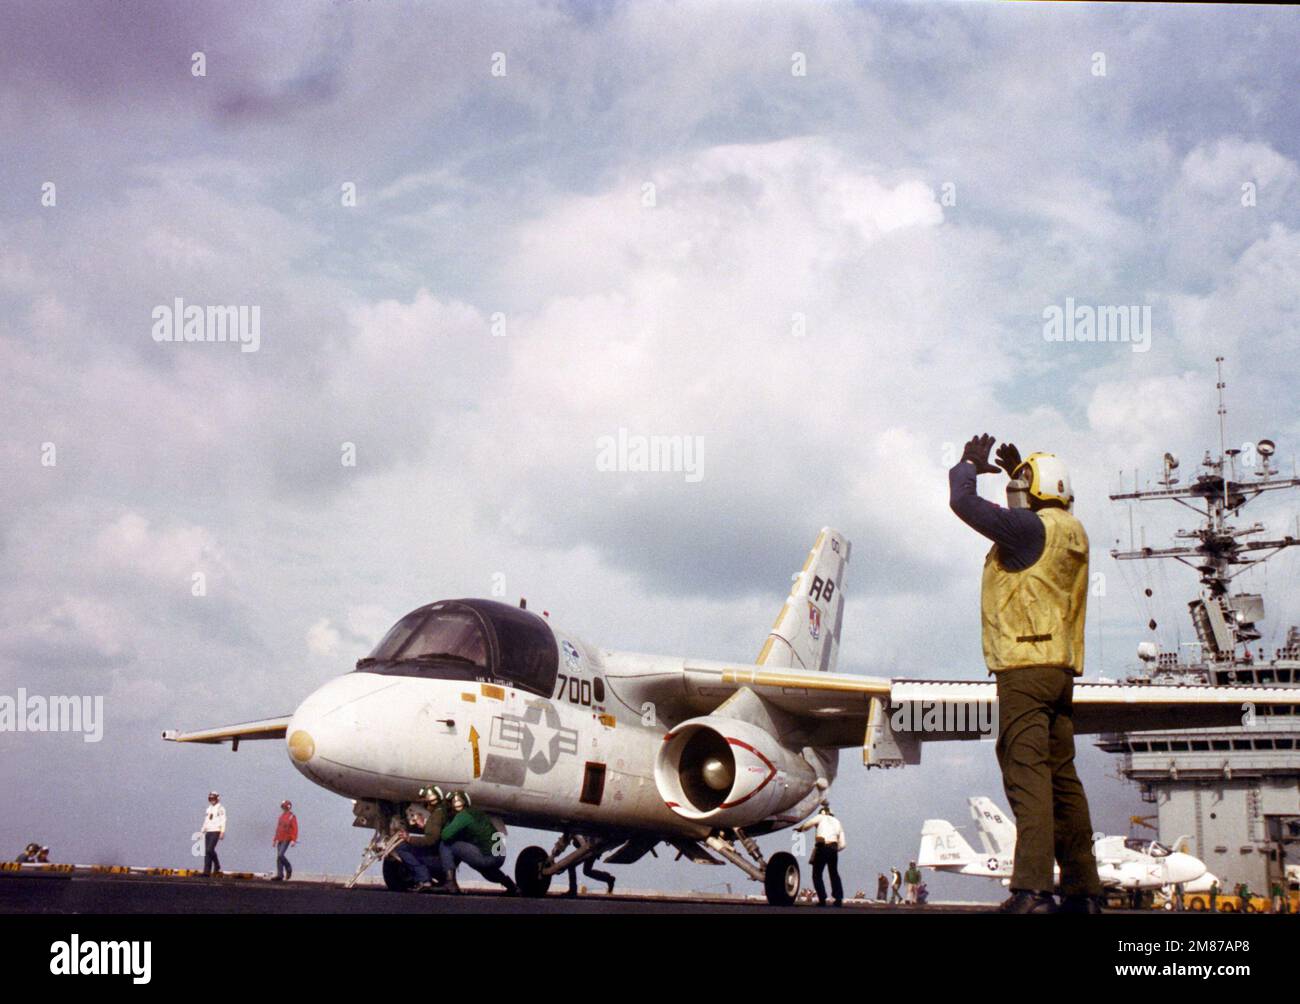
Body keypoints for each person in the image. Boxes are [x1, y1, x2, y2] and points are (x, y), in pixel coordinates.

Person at [950, 434, 1103, 915]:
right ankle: (1085, 890)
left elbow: (963, 502)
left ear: (1032, 493)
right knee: (1063, 779)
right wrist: (1022, 480)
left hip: (1024, 669)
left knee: (1026, 773)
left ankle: (1033, 890)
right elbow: (1030, 521)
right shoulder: (1072, 530)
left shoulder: (1026, 531)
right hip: (1061, 670)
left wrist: (968, 464)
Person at [438, 791, 516, 894]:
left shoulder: (462, 816)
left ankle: (450, 883)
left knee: (446, 845)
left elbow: (445, 835)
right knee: (485, 869)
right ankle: (511, 886)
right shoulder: (477, 812)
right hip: (500, 854)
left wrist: (447, 823)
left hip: (489, 856)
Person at [393, 787, 448, 892]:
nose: (414, 822)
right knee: (404, 847)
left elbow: (430, 840)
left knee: (403, 848)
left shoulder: (435, 819)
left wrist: (409, 838)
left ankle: (425, 880)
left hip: (441, 860)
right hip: (443, 858)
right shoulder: (440, 814)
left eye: (414, 817)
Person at [796, 803, 846, 907]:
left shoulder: (821, 817)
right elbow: (843, 844)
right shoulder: (837, 822)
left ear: (822, 812)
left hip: (822, 847)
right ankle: (838, 899)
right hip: (833, 848)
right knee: (834, 874)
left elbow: (809, 824)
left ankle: (822, 899)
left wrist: (801, 829)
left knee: (817, 874)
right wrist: (834, 849)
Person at [200, 791, 226, 876]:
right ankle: (206, 872)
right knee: (206, 852)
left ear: (217, 799)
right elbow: (206, 820)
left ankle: (217, 865)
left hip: (216, 831)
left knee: (209, 849)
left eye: (213, 799)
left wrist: (222, 832)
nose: (212, 800)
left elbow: (223, 820)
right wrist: (202, 830)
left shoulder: (221, 808)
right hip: (209, 831)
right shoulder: (209, 808)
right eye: (210, 799)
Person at [272, 800, 298, 881]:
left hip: (287, 838)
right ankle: (280, 875)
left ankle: (288, 867)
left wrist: (293, 839)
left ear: (288, 807)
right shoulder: (281, 816)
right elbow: (278, 828)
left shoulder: (292, 816)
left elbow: (295, 829)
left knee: (280, 855)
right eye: (283, 807)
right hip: (280, 838)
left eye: (285, 806)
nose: (284, 808)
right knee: (278, 857)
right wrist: (275, 839)